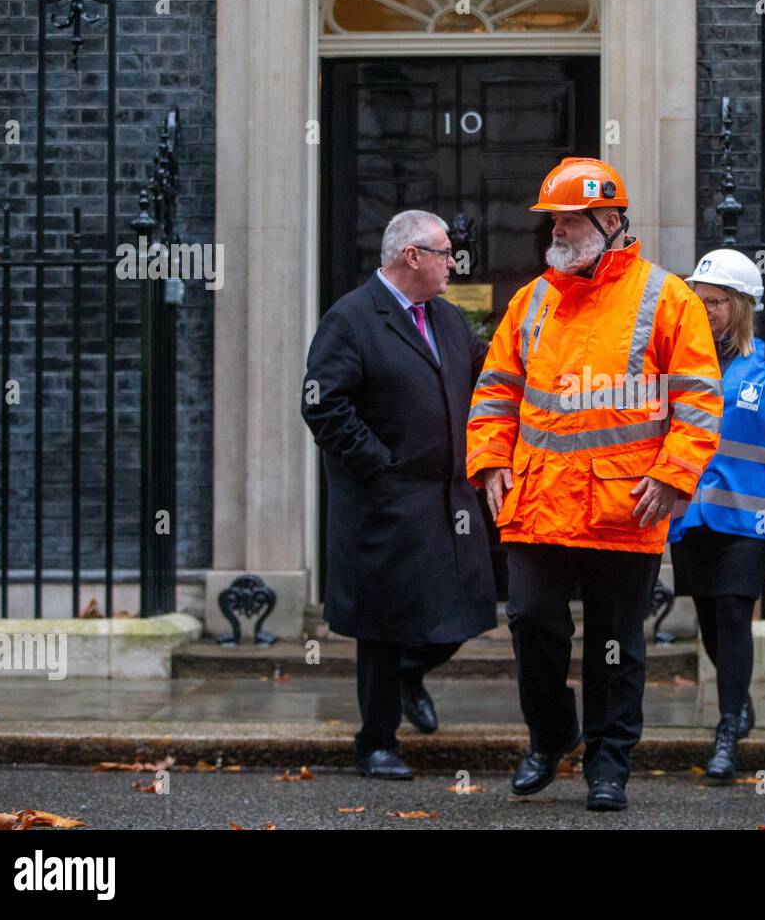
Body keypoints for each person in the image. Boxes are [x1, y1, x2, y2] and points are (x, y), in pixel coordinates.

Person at [466, 157, 722, 812]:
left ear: (611, 221)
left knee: (616, 643)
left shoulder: (667, 298)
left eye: (572, 219)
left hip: (625, 504)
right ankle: (552, 736)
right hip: (540, 500)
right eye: (555, 219)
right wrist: (490, 462)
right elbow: (496, 389)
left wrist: (674, 475)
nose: (559, 229)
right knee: (529, 621)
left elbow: (698, 398)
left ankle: (610, 762)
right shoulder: (530, 301)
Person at [302, 210, 497, 779]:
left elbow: (482, 377)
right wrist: (379, 466)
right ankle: (377, 741)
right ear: (412, 256)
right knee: (382, 627)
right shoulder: (352, 318)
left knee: (468, 608)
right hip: (383, 502)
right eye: (444, 253)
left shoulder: (450, 320)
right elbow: (322, 403)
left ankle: (413, 672)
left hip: (447, 498)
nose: (453, 263)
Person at [668, 248, 765, 782]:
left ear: (742, 306)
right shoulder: (682, 365)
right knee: (708, 618)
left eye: (716, 302)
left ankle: (727, 729)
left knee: (732, 613)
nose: (704, 310)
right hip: (690, 516)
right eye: (699, 300)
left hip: (750, 520)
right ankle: (739, 701)